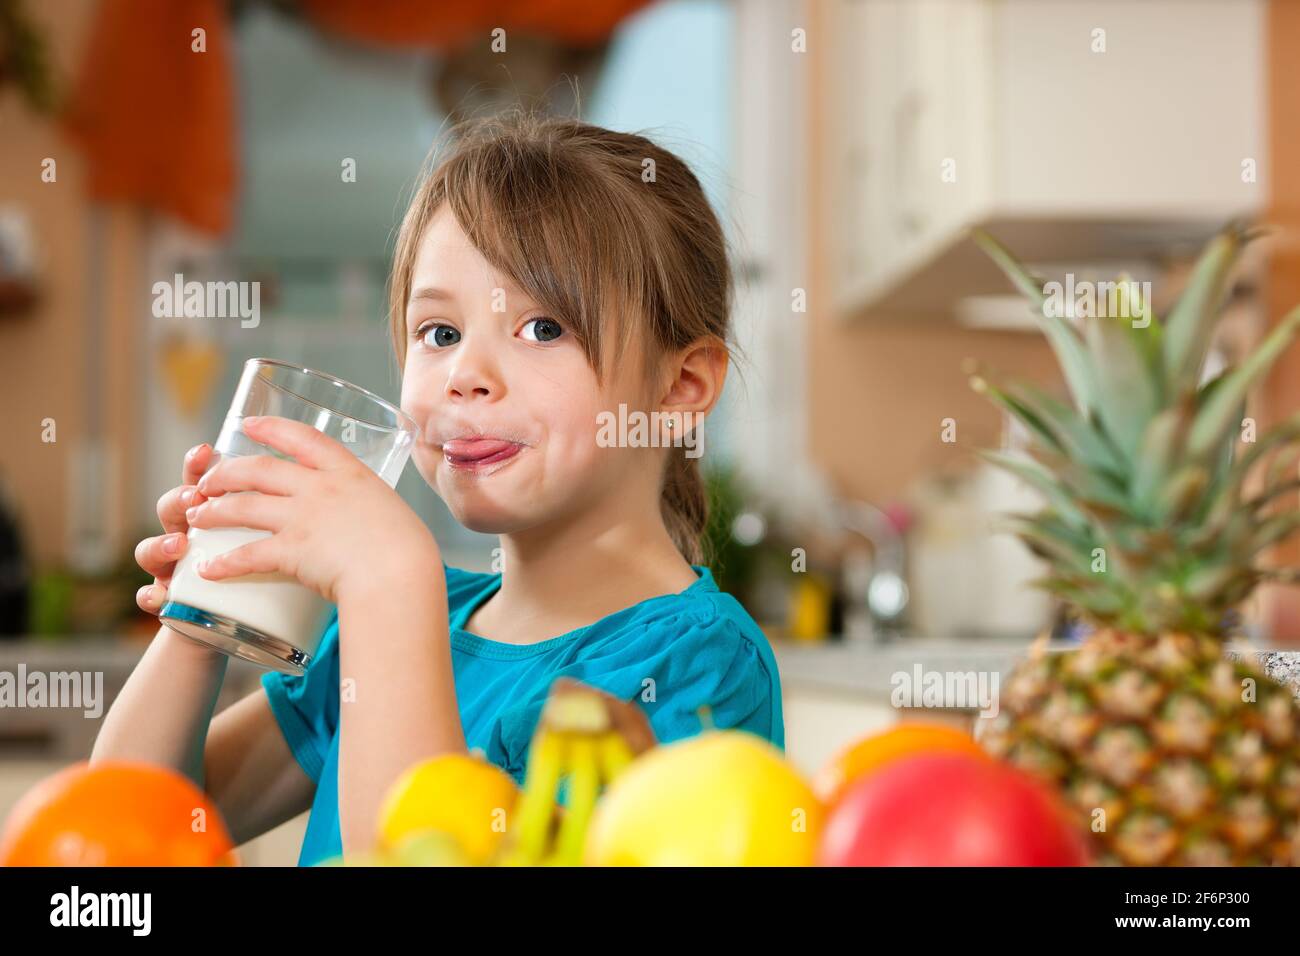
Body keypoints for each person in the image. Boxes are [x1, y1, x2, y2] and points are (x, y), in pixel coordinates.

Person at [95, 110, 784, 866]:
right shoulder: (401, 627)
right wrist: (202, 619)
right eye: (440, 334)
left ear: (680, 386)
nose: (464, 376)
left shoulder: (700, 667)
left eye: (543, 328)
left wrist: (389, 582)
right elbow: (133, 833)